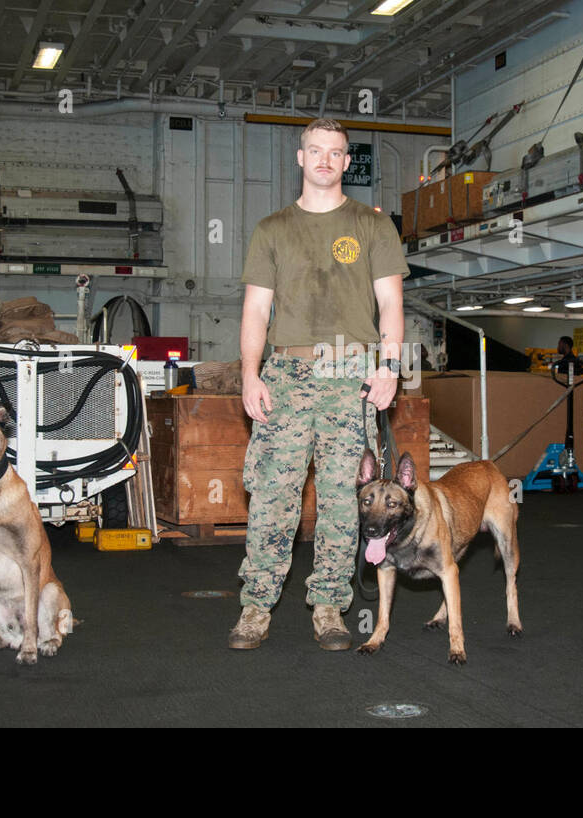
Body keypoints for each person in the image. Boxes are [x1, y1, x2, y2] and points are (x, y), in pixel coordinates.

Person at [230, 118, 408, 651]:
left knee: (341, 498)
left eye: (336, 152)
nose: (326, 159)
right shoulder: (272, 229)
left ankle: (329, 606)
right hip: (285, 375)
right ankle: (256, 608)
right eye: (316, 150)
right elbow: (255, 310)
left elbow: (392, 303)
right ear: (301, 158)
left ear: (346, 162)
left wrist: (390, 367)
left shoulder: (373, 226)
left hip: (350, 374)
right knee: (271, 497)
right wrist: (248, 374)